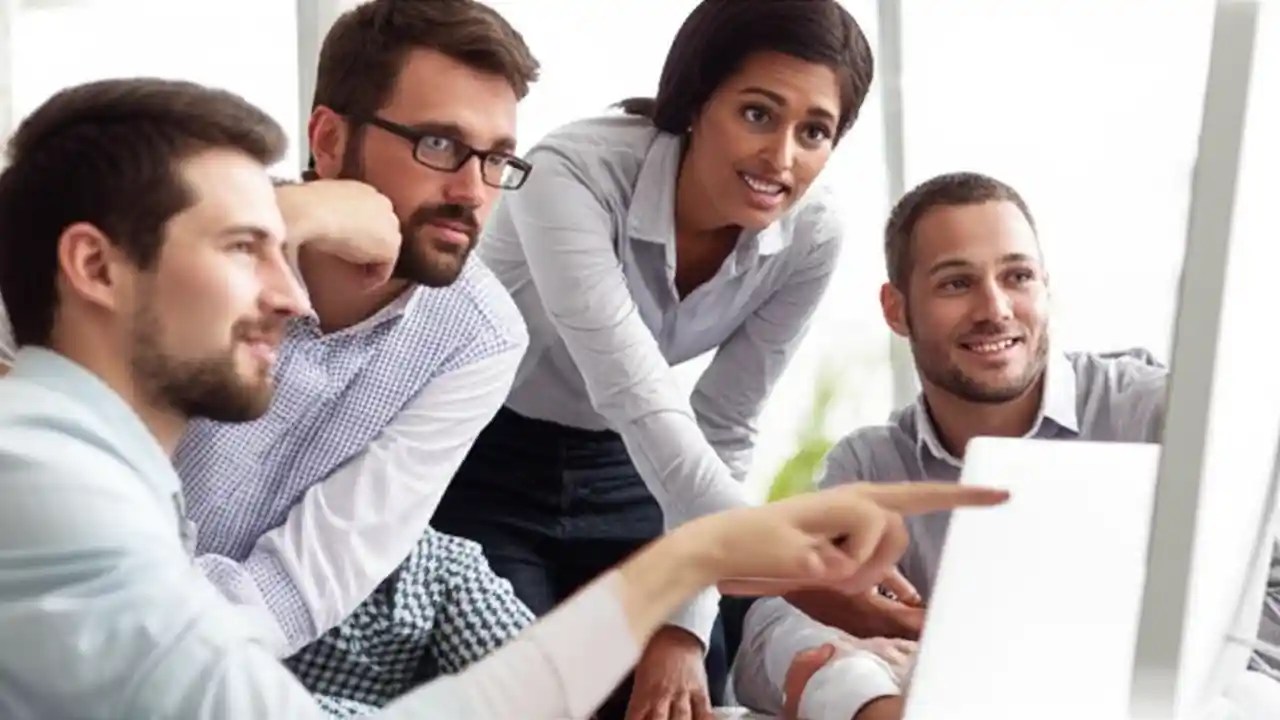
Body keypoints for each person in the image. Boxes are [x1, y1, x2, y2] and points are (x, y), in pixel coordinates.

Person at [0, 77, 1010, 718]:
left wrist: (694, 557)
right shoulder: (49, 484)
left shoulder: (88, 474)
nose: (284, 291)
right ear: (93, 265)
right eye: (244, 246)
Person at [431, 1, 874, 716]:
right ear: (697, 98)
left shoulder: (810, 236)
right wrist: (795, 562)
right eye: (758, 114)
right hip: (484, 458)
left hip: (631, 468)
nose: (781, 158)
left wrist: (683, 627)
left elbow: (724, 426)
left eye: (814, 131)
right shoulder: (568, 175)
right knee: (530, 695)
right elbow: (634, 393)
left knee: (689, 686)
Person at [732, 171, 1278, 720]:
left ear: (1046, 287)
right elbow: (771, 627)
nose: (995, 308)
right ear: (897, 310)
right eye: (955, 283)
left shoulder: (1156, 415)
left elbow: (1264, 600)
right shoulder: (873, 467)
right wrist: (866, 699)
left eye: (1017, 276)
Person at [171, 0, 540, 711]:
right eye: (438, 144)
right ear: (330, 139)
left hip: (199, 658)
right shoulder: (190, 234)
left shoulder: (481, 335)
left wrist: (151, 657)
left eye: (497, 159)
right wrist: (285, 223)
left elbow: (307, 580)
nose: (471, 192)